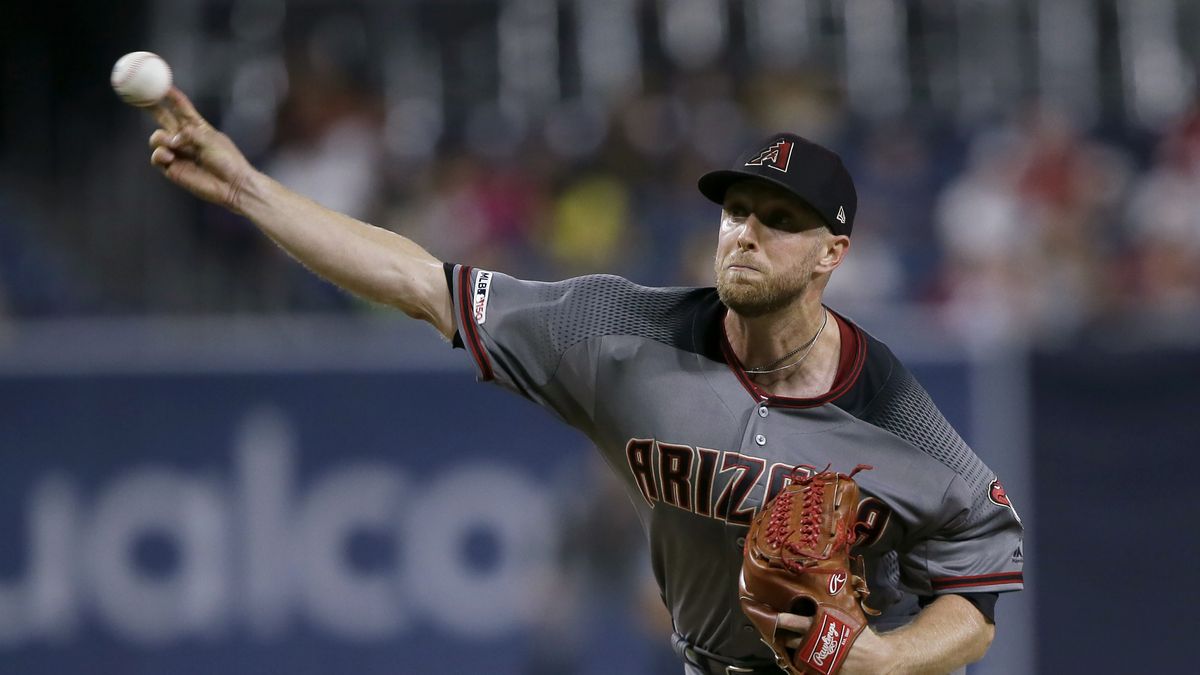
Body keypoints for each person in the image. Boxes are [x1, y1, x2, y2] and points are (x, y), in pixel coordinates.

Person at [146, 88, 1024, 675]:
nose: (746, 233)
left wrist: (885, 657)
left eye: (781, 220)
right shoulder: (619, 333)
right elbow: (420, 281)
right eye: (737, 210)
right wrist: (251, 188)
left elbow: (978, 590)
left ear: (833, 253)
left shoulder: (897, 414)